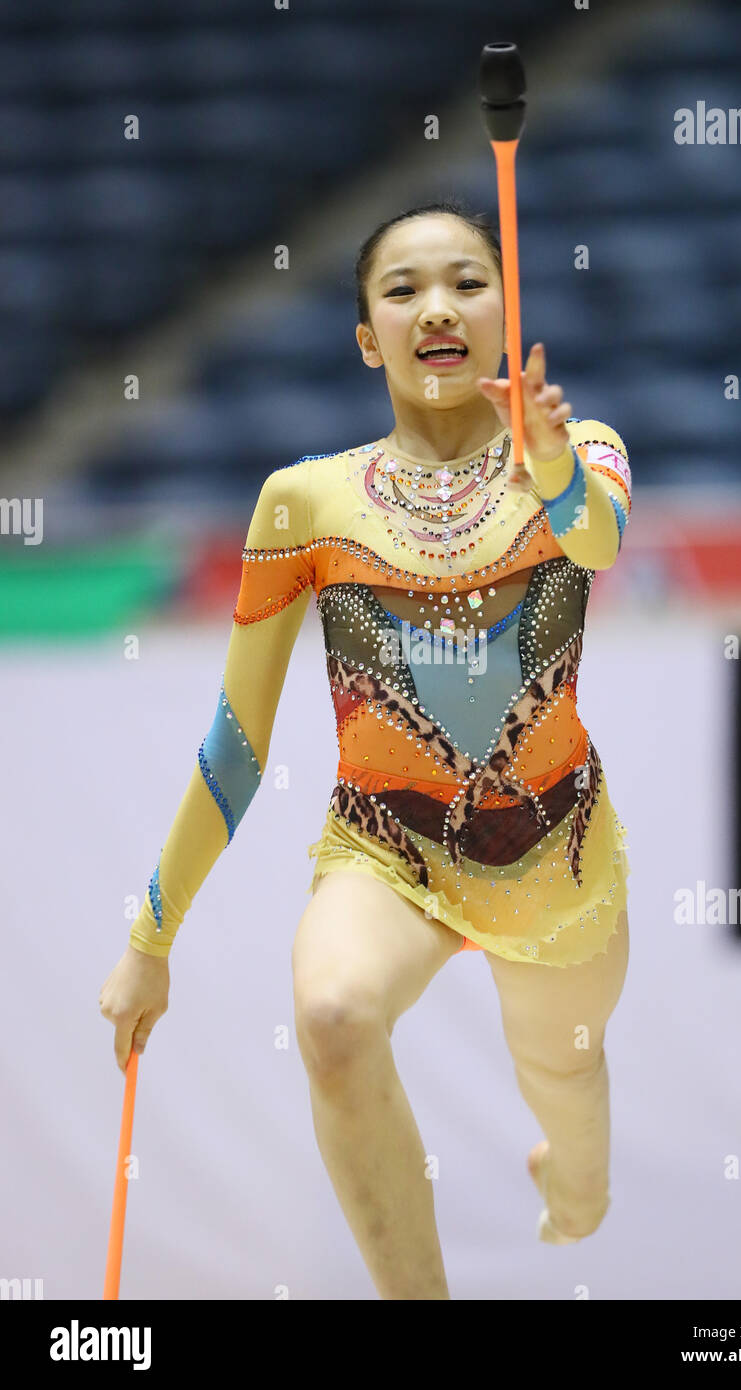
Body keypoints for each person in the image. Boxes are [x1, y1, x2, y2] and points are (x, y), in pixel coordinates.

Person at [99, 199, 632, 1300]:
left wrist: (553, 472)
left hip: (553, 855)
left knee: (567, 1106)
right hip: (384, 848)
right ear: (365, 337)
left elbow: (598, 541)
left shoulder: (580, 452)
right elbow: (238, 741)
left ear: (505, 305)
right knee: (334, 1015)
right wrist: (151, 935)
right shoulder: (304, 502)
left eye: (465, 281)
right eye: (401, 289)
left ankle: (577, 1185)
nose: (436, 306)